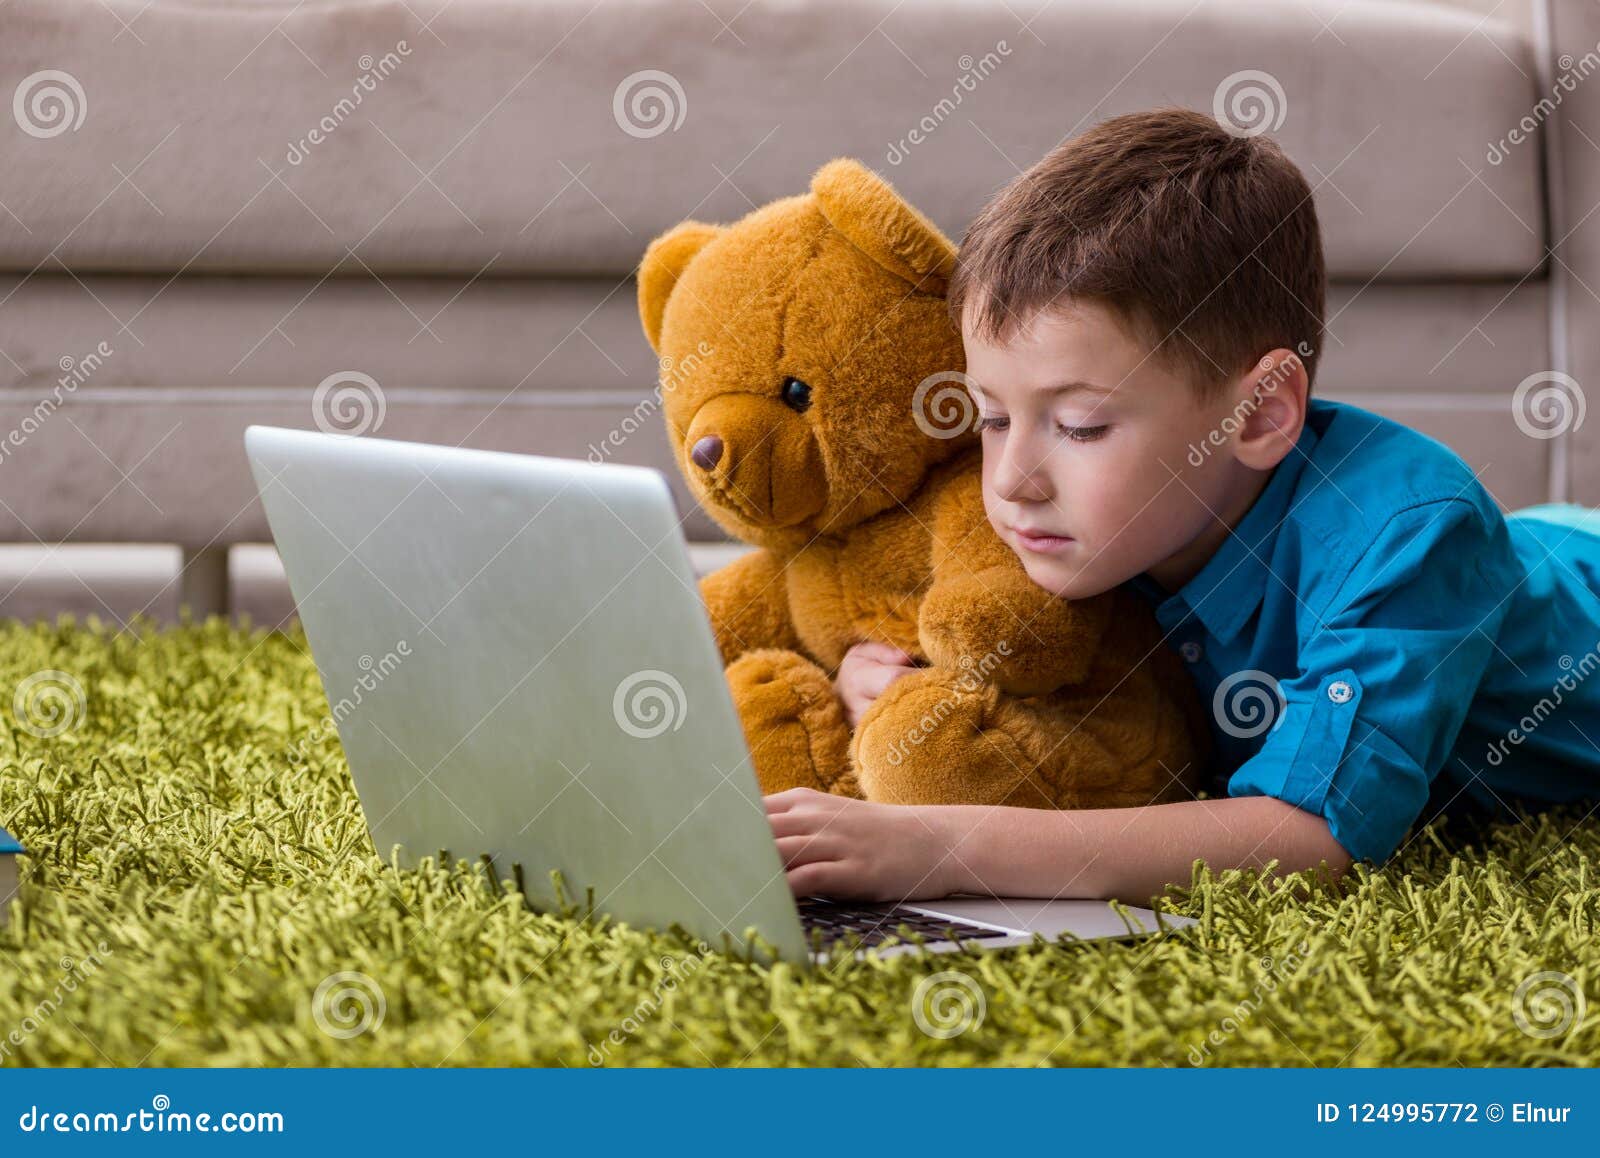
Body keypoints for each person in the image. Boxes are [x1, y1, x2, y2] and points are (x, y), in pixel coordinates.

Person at [766, 107, 1600, 905]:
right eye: (989, 415)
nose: (1011, 477)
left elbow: (1312, 841)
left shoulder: (1409, 537)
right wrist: (883, 679)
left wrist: (940, 847)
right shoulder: (1085, 524)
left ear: (1262, 412)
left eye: (1082, 425)